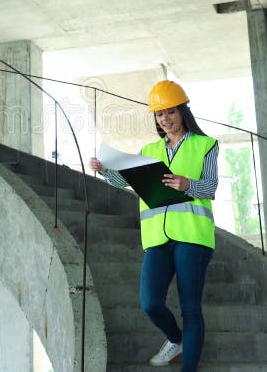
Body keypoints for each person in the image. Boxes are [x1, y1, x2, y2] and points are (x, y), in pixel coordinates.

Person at [89, 80, 218, 371]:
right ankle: (175, 339)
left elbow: (210, 187)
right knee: (150, 303)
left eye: (170, 112)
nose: (165, 119)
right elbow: (130, 181)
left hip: (192, 237)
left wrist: (188, 184)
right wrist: (106, 171)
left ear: (183, 111)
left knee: (190, 309)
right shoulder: (149, 149)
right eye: (160, 114)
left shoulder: (205, 145)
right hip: (157, 238)